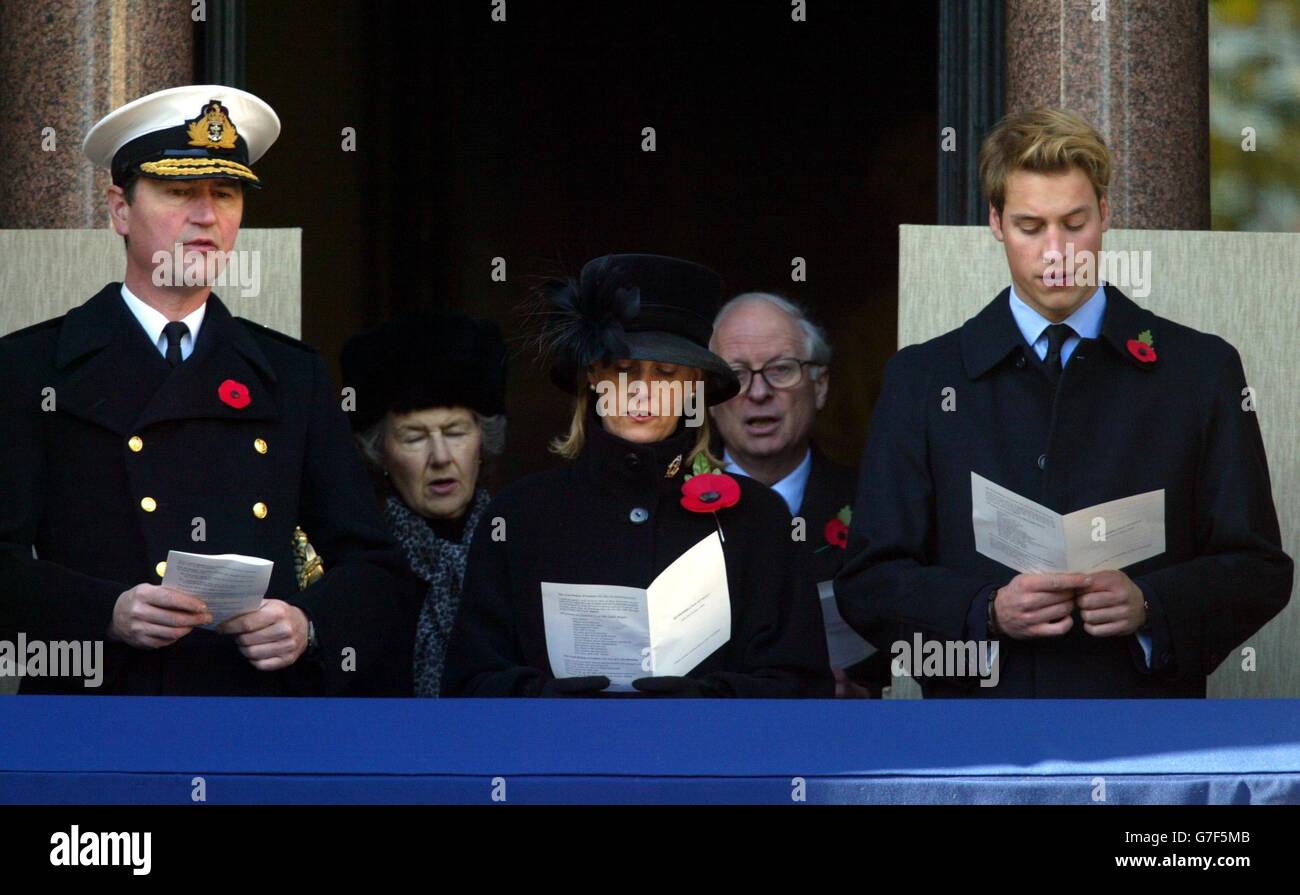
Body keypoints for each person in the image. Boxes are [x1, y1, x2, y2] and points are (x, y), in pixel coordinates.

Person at [835, 107, 1293, 697]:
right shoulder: (921, 378)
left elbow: (1257, 568)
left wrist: (1152, 604)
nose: (1057, 253)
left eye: (1074, 223)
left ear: (1105, 215)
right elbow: (868, 582)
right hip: (978, 743)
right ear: (995, 223)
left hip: (1146, 741)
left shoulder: (1202, 369)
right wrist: (987, 610)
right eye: (1031, 227)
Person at [0, 86, 422, 695]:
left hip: (250, 715)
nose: (207, 216)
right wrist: (105, 614)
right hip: (103, 715)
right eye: (179, 192)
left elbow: (375, 566)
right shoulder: (31, 367)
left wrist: (309, 622)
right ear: (120, 208)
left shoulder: (290, 373)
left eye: (225, 194)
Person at [441, 254, 833, 697]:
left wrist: (710, 700)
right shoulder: (518, 515)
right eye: (623, 372)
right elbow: (468, 683)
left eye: (666, 373)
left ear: (693, 386)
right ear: (593, 378)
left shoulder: (758, 519)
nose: (643, 393)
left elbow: (802, 687)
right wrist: (542, 699)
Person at [709, 292, 888, 697]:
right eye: (735, 374)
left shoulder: (876, 506)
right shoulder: (668, 505)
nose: (757, 392)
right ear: (708, 398)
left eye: (782, 369)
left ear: (820, 386)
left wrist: (862, 695)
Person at [340, 311, 508, 697]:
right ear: (380, 451)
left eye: (455, 431)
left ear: (483, 441)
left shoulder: (515, 550)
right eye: (414, 437)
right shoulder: (358, 562)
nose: (440, 457)